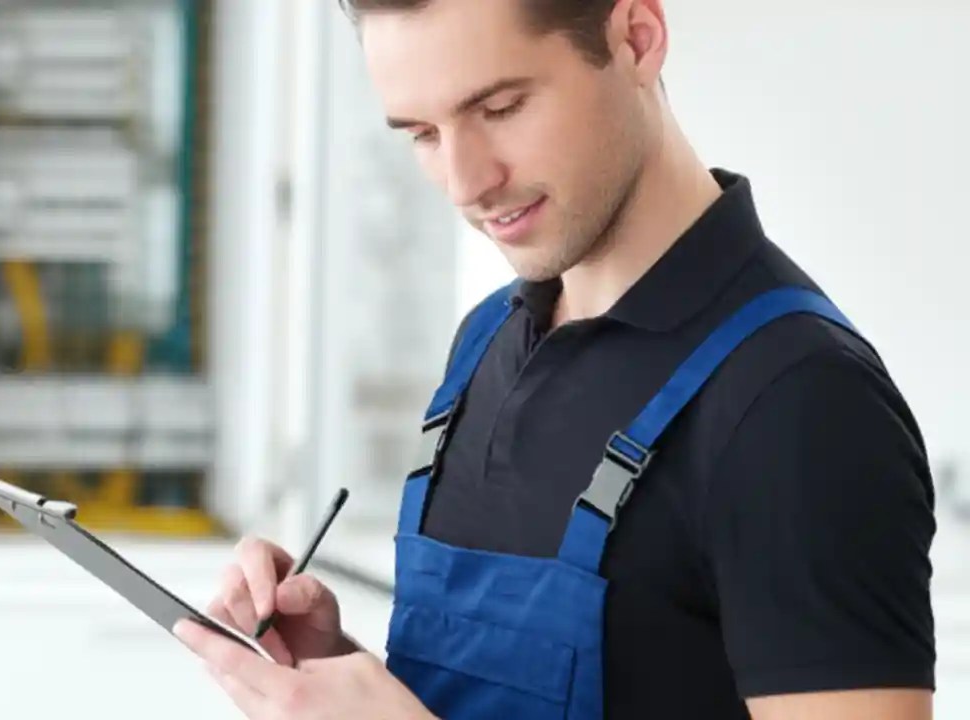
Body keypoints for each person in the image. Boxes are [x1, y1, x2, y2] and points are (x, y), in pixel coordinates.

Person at [173, 0, 937, 717]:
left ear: (636, 37)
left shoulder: (799, 404)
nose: (467, 183)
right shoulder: (484, 344)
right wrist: (333, 671)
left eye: (500, 109)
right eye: (422, 135)